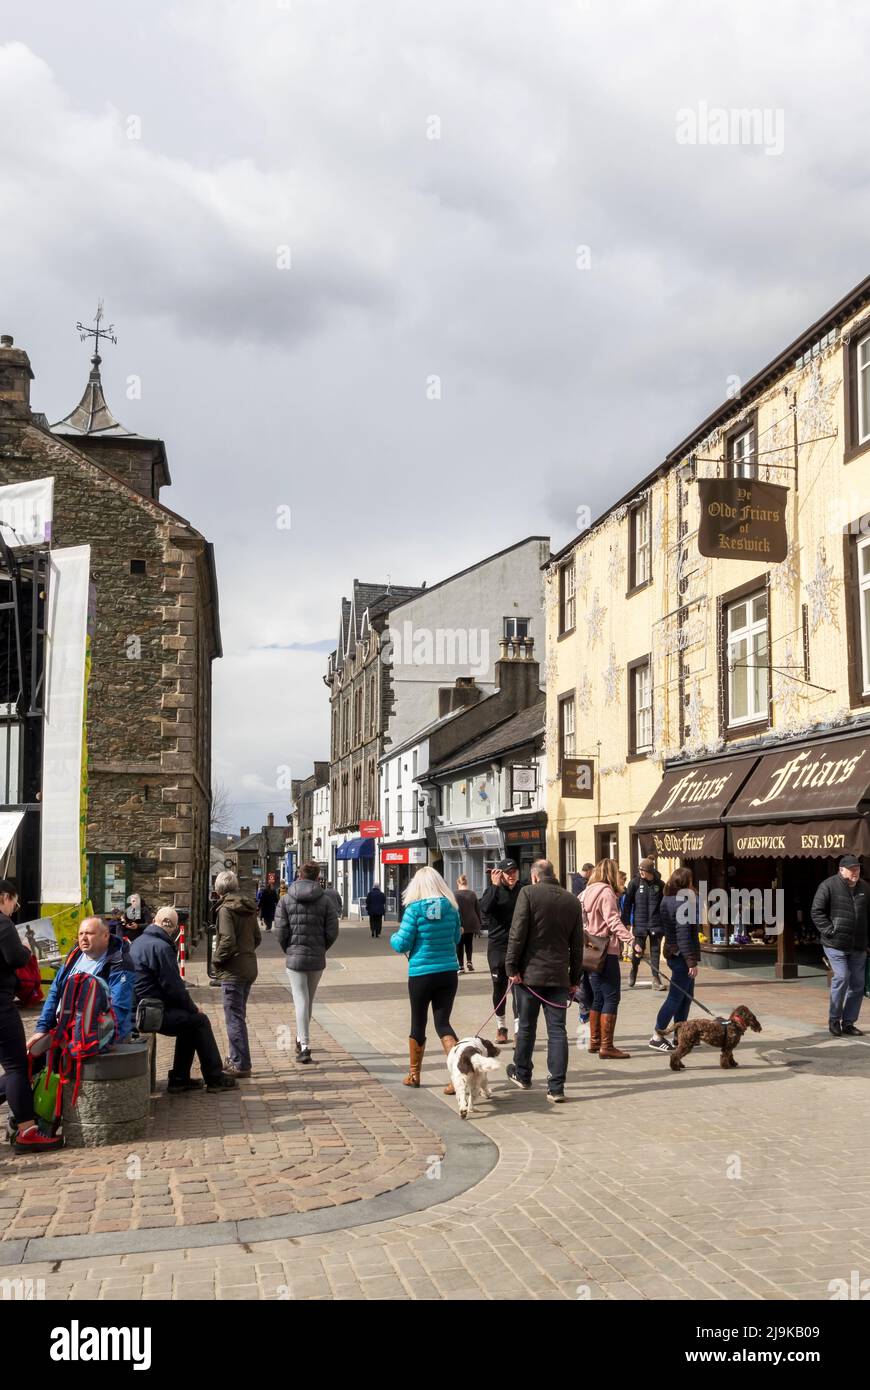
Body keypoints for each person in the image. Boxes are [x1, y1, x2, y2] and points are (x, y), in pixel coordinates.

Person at [130, 907, 238, 1091]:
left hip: (141, 1008)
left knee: (188, 1023)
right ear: (173, 928)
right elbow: (174, 988)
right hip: (148, 1014)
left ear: (155, 920)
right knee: (199, 1021)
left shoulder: (139, 941)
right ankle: (215, 1077)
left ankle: (180, 1078)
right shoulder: (161, 947)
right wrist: (194, 1008)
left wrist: (187, 1009)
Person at [505, 860, 582, 1102]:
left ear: (535, 876)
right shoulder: (571, 900)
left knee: (527, 1026)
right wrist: (575, 978)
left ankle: (522, 1073)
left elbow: (517, 933)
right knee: (557, 1031)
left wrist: (511, 966)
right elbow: (577, 944)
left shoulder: (527, 893)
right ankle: (556, 1087)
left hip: (530, 975)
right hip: (559, 975)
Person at [0, 879, 63, 1152]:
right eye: (14, 901)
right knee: (17, 1066)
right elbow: (15, 958)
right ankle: (27, 1130)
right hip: (1, 1006)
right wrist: (26, 950)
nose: (15, 907)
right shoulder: (2, 923)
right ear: (5, 896)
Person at [390, 865, 461, 1091]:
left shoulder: (414, 910)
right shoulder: (451, 908)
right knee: (443, 1023)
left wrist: (393, 938)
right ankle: (457, 1076)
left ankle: (414, 1075)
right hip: (448, 973)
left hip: (421, 974)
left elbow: (402, 943)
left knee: (418, 1022)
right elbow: (457, 937)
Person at [30, 916, 134, 1047]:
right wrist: (42, 1029)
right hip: (65, 1032)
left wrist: (99, 1041)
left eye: (89, 933)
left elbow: (118, 1007)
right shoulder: (75, 954)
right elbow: (55, 992)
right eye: (81, 933)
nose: (83, 938)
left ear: (106, 936)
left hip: (99, 1039)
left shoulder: (119, 962)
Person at [275, 860, 339, 1064]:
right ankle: (301, 1039)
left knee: (301, 1000)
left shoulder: (285, 899)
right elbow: (332, 931)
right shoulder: (326, 900)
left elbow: (280, 930)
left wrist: (288, 948)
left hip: (295, 956)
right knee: (308, 1000)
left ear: (299, 874)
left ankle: (304, 1045)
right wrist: (321, 947)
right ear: (317, 877)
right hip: (316, 957)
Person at [580, 859, 638, 1059]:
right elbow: (613, 921)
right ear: (611, 873)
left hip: (589, 950)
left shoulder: (585, 892)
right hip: (606, 950)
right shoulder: (606, 892)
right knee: (612, 997)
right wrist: (631, 940)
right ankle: (607, 1046)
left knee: (598, 997)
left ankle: (594, 1041)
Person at [812, 854, 869, 1038]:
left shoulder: (865, 887)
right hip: (835, 943)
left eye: (858, 868)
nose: (855, 872)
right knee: (842, 977)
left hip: (858, 945)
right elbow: (817, 911)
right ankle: (834, 1019)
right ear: (841, 869)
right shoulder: (828, 885)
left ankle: (849, 1023)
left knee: (858, 984)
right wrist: (830, 931)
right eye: (852, 869)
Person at [212, 870, 261, 1077]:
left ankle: (240, 1064)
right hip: (249, 966)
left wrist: (216, 959)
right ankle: (237, 1058)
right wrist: (246, 951)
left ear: (219, 890)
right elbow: (257, 938)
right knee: (238, 1015)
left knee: (234, 1018)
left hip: (233, 969)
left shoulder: (225, 910)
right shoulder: (248, 907)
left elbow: (227, 940)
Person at [648, 867, 700, 1053]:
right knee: (675, 998)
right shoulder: (682, 902)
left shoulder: (666, 899)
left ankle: (680, 1035)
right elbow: (683, 934)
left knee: (685, 998)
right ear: (686, 883)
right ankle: (657, 1036)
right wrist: (691, 962)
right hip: (681, 956)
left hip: (672, 951)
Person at [480, 859, 523, 1044]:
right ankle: (501, 1027)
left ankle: (518, 1030)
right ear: (500, 874)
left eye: (514, 871)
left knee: (518, 988)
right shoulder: (493, 891)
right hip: (497, 946)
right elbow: (484, 909)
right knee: (500, 988)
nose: (511, 875)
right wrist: (495, 886)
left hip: (519, 946)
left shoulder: (524, 890)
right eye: (508, 872)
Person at [622, 857, 665, 990]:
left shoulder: (661, 884)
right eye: (640, 869)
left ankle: (656, 978)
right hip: (640, 923)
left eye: (643, 870)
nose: (641, 872)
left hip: (656, 923)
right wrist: (626, 921)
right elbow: (628, 902)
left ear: (650, 871)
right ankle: (634, 970)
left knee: (655, 951)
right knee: (637, 950)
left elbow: (664, 905)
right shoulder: (634, 883)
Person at [455, 874, 481, 972]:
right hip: (471, 922)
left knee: (459, 944)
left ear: (458, 883)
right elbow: (478, 909)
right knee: (469, 943)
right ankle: (469, 961)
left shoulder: (454, 894)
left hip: (460, 923)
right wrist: (479, 922)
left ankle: (461, 966)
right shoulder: (472, 894)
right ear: (466, 883)